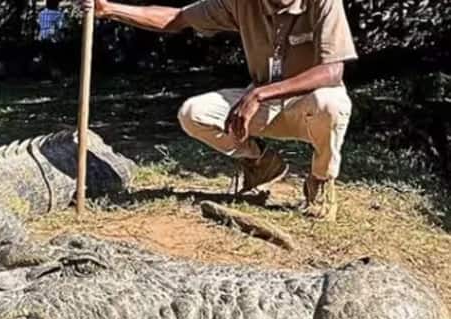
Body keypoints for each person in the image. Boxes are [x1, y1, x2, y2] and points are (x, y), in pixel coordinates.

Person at [80, 0, 358, 221]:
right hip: (261, 104)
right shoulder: (240, 3)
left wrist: (260, 94)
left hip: (306, 104)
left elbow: (332, 71)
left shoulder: (324, 2)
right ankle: (260, 162)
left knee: (331, 104)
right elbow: (178, 18)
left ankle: (320, 182)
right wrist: (109, 9)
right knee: (193, 113)